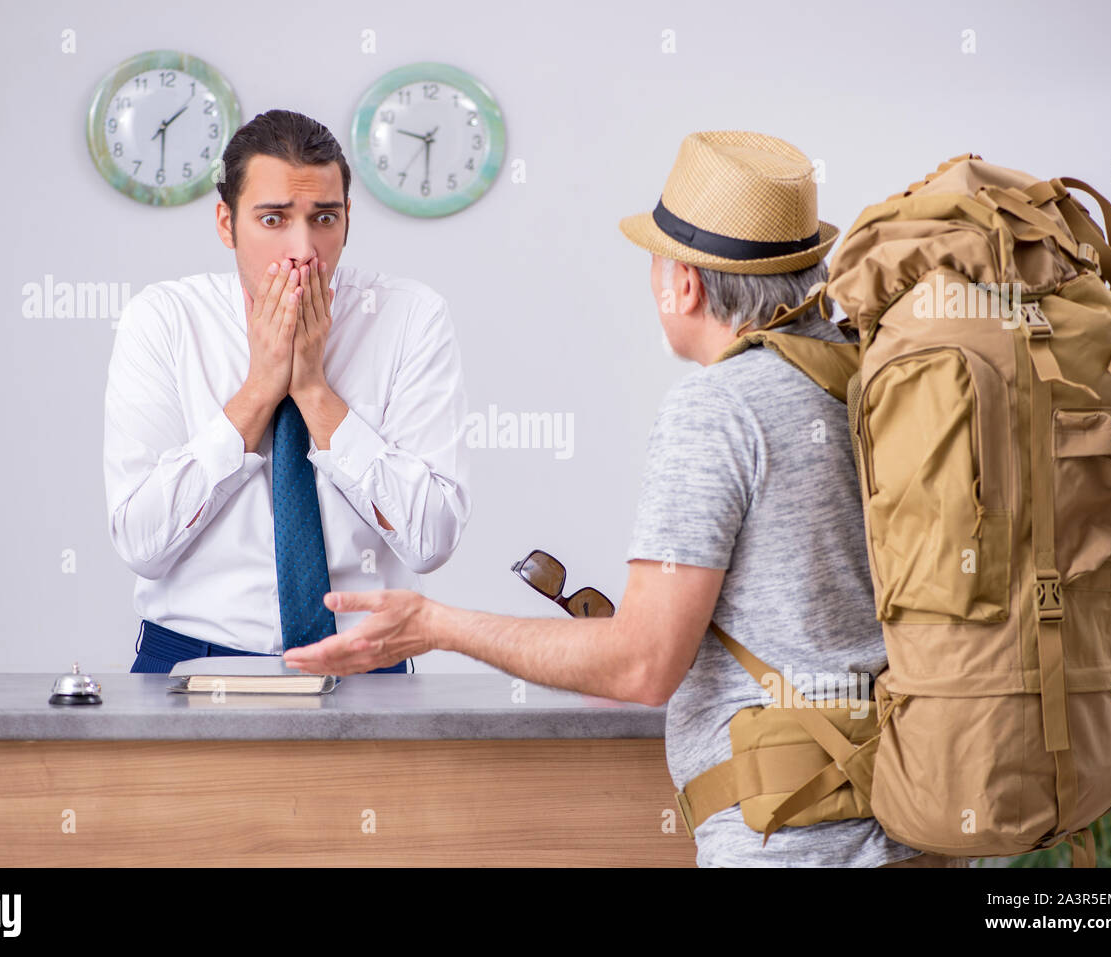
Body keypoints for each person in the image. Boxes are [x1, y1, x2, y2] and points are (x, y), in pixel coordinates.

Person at [281, 130, 958, 867]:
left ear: (687, 286)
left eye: (656, 263)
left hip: (793, 840)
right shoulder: (871, 382)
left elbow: (643, 665)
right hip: (910, 824)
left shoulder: (719, 406)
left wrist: (435, 623)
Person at [103, 109, 471, 674]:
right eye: (273, 220)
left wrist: (314, 391)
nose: (304, 250)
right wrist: (258, 391)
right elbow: (142, 545)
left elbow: (430, 542)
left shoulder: (409, 317)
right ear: (226, 223)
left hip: (366, 661)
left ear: (348, 219)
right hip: (191, 660)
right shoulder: (164, 320)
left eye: (323, 218)